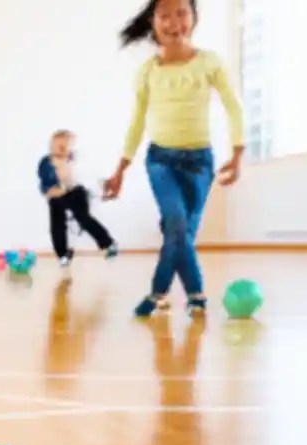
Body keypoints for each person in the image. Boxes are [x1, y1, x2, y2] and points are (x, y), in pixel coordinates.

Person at [103, 0, 243, 318]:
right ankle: (177, 293)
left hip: (199, 163)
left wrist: (238, 154)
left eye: (181, 13)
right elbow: (137, 122)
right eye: (164, 16)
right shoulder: (147, 72)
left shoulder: (210, 63)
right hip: (160, 161)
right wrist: (120, 168)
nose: (173, 22)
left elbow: (233, 106)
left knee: (180, 234)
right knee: (177, 225)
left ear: (193, 18)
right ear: (153, 24)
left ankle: (177, 294)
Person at [38, 129, 118, 271]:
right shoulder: (46, 162)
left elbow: (87, 179)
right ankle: (63, 254)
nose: (59, 149)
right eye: (56, 145)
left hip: (75, 192)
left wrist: (103, 191)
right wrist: (52, 189)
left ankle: (107, 244)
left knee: (84, 218)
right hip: (56, 195)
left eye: (64, 146)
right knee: (57, 225)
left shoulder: (76, 161)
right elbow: (45, 183)